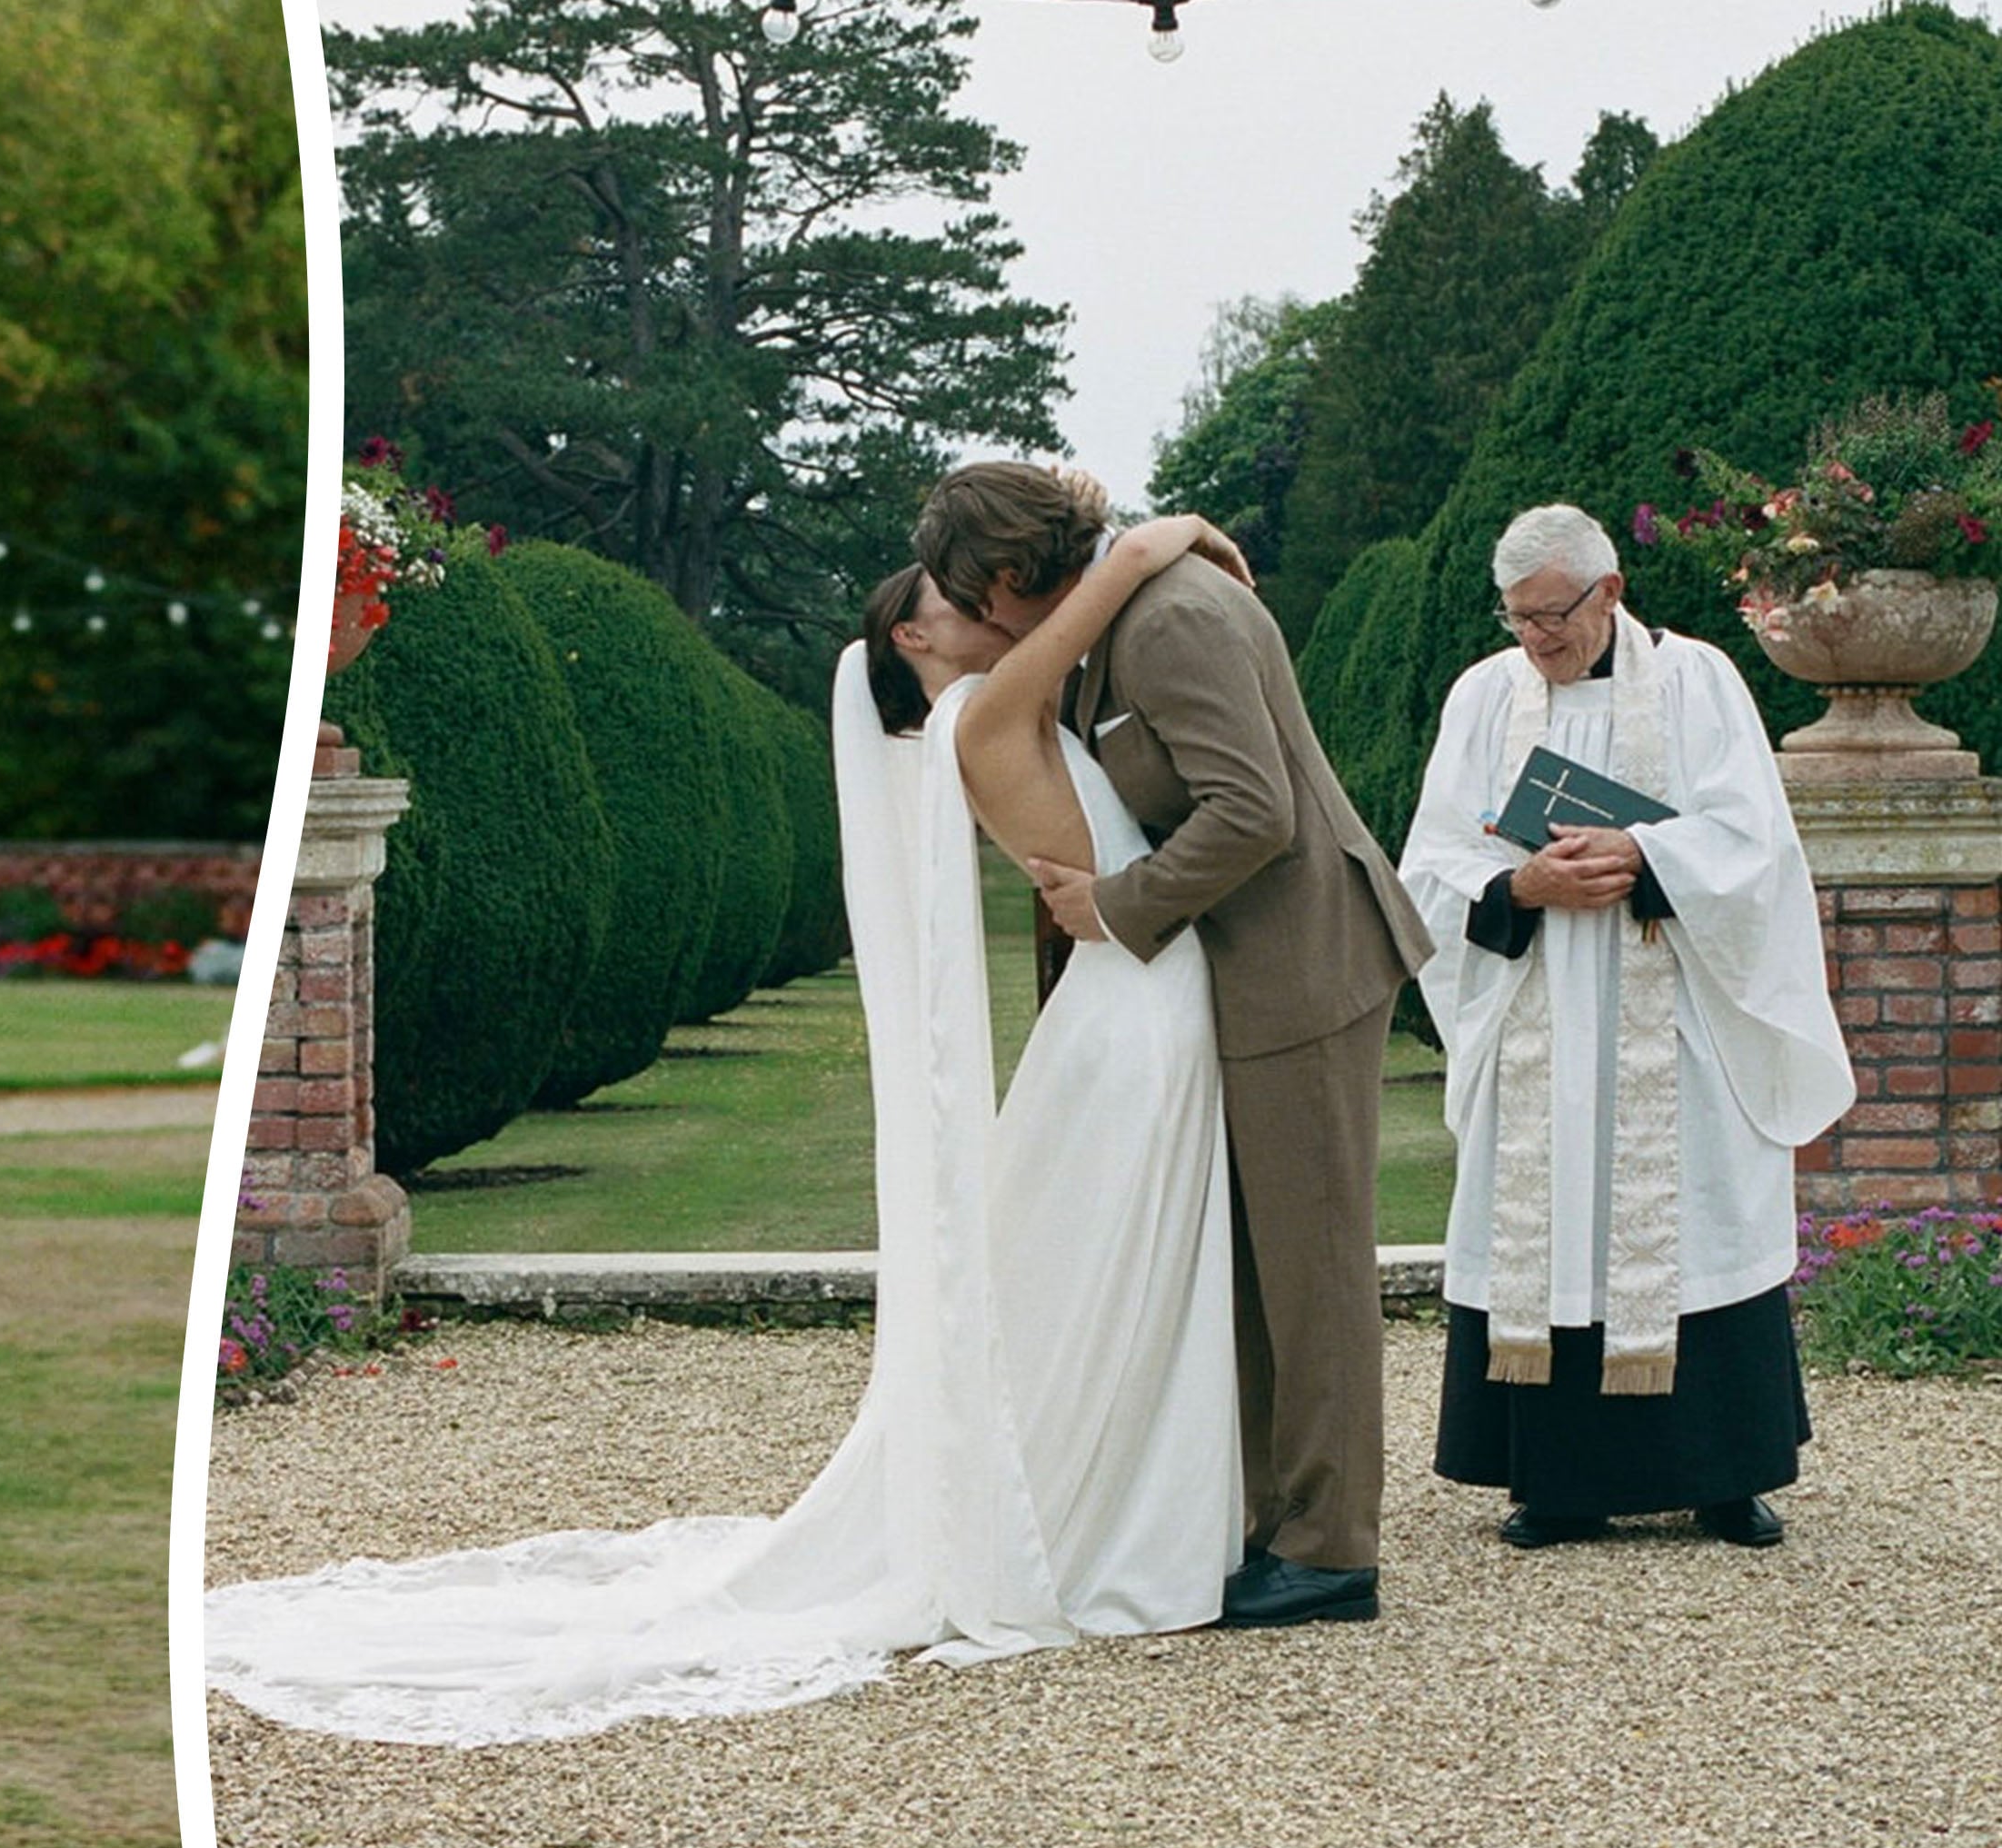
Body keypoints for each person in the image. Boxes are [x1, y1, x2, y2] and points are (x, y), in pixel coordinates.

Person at [201, 514, 1247, 1747]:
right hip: (1139, 1003)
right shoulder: (977, 716)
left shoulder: (970, 721)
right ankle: (1110, 1528)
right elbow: (1100, 592)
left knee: (1099, 1271)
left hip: (1133, 995)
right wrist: (1165, 539)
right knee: (1115, 1265)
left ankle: (1119, 1507)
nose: (996, 608)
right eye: (965, 599)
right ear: (915, 634)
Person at [913, 462, 1432, 1629]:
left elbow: (1256, 811)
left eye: (973, 600)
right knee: (1253, 1272)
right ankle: (1267, 1518)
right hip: (1240, 978)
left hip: (1301, 968)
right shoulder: (1132, 609)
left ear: (1008, 577)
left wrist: (1118, 905)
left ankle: (1331, 1549)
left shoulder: (1175, 619)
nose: (980, 628)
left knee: (1312, 1272)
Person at [1399, 504, 1853, 1550]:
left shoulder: (1698, 682)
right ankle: (1553, 1483)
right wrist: (1523, 879)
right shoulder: (1483, 695)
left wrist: (1646, 857)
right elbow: (1428, 861)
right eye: (1517, 620)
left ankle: (1725, 1475)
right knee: (1548, 1225)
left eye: (1551, 617)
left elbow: (1755, 846)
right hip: (1539, 1016)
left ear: (1609, 592)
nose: (1534, 641)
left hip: (1671, 1002)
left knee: (1692, 1215)